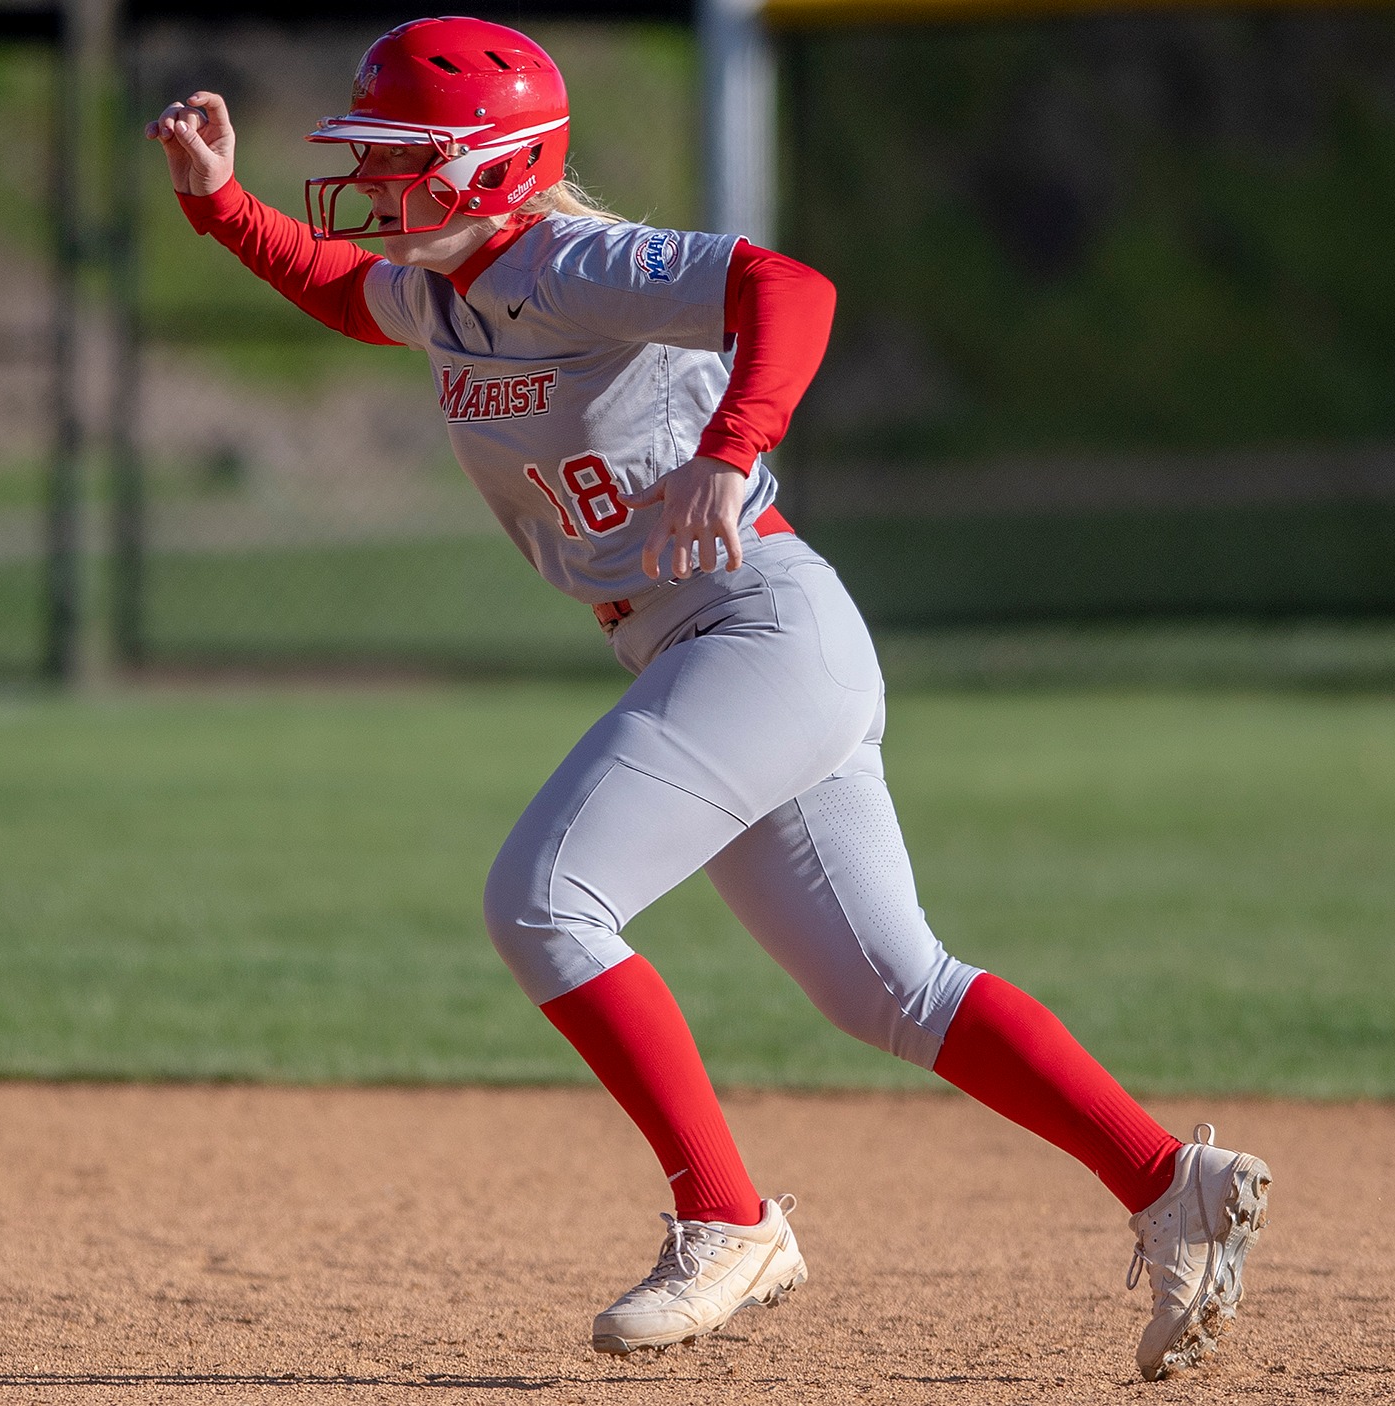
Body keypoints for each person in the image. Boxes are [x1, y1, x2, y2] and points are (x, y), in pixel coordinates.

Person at [147, 17, 1271, 1379]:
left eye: (403, 155)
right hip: (716, 643)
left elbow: (786, 284)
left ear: (494, 171)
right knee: (896, 990)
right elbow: (341, 290)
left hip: (755, 626)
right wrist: (222, 207)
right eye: (373, 153)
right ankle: (1176, 1184)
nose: (374, 179)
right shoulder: (443, 284)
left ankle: (725, 1219)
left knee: (545, 900)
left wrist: (733, 453)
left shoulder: (564, 258)